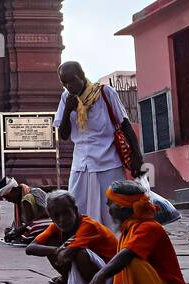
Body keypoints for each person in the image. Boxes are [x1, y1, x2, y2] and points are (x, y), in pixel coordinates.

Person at [79, 181, 189, 284]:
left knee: (131, 261)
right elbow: (117, 270)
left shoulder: (150, 227)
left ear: (121, 206)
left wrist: (98, 277)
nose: (108, 209)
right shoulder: (128, 229)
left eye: (110, 204)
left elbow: (126, 257)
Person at [54, 61, 142, 230]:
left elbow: (125, 126)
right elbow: (63, 135)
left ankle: (115, 249)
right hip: (81, 165)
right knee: (78, 211)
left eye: (71, 81)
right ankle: (86, 248)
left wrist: (137, 156)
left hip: (108, 163)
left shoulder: (105, 93)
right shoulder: (66, 99)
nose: (68, 86)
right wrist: (68, 111)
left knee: (113, 214)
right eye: (63, 83)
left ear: (81, 76)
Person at [25, 191, 117, 284]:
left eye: (66, 213)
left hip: (111, 277)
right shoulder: (55, 226)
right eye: (56, 216)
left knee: (79, 254)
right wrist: (56, 250)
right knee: (51, 246)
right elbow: (30, 248)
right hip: (93, 271)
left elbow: (65, 255)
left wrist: (61, 251)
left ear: (75, 209)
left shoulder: (88, 226)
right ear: (51, 217)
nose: (62, 220)